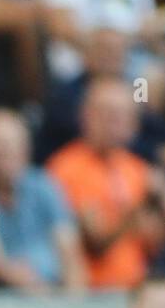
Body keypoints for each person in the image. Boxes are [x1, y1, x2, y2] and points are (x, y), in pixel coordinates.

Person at [0, 110, 86, 290]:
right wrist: (37, 290)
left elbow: (68, 247)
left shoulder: (43, 186)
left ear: (25, 151)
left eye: (12, 147)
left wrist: (74, 297)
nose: (5, 155)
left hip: (55, 289)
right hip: (1, 296)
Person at [47, 76, 152, 289]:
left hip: (137, 289)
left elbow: (152, 240)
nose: (116, 123)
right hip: (93, 291)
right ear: (85, 115)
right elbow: (95, 241)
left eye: (124, 115)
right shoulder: (65, 168)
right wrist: (139, 210)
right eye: (108, 114)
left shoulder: (137, 168)